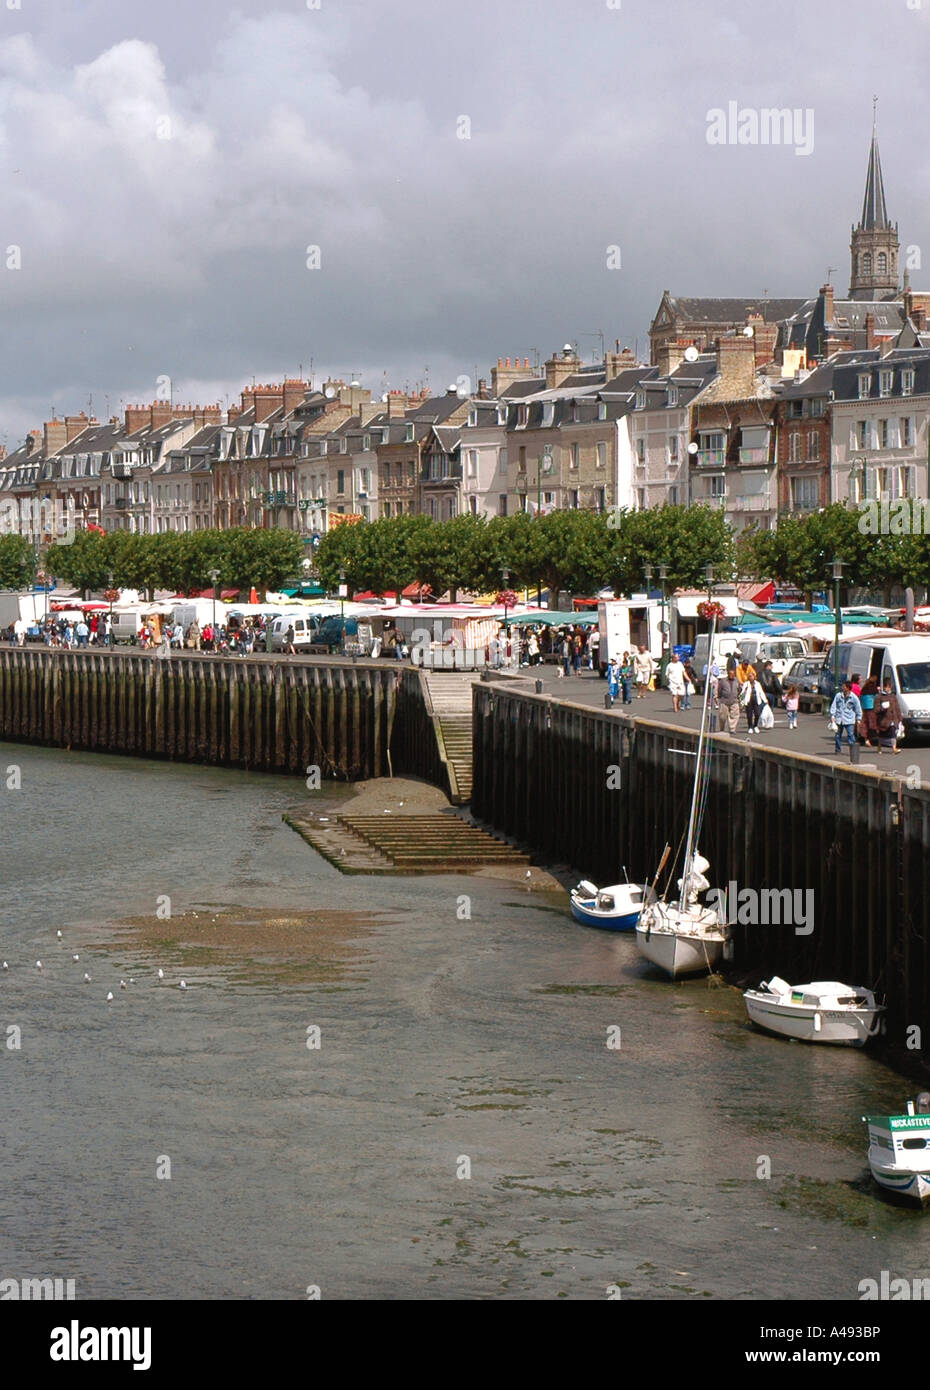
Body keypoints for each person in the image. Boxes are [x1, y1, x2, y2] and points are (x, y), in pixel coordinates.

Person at [830, 680, 862, 753]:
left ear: (848, 688)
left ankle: (853, 750)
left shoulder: (853, 697)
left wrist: (859, 719)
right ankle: (838, 750)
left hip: (849, 719)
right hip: (839, 719)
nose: (842, 687)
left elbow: (858, 708)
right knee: (838, 735)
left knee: (850, 735)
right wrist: (832, 716)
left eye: (844, 686)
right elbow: (834, 705)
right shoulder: (838, 695)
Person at [875, 679, 902, 753]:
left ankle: (894, 748)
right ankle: (879, 747)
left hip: (893, 719)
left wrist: (900, 718)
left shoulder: (893, 696)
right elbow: (876, 709)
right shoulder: (879, 696)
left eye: (889, 687)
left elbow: (897, 707)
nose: (887, 689)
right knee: (882, 734)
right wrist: (882, 708)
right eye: (886, 687)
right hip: (884, 719)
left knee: (893, 733)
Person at [716, 661, 742, 735]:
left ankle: (732, 729)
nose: (732, 675)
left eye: (733, 674)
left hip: (734, 701)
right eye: (730, 674)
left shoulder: (737, 681)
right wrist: (719, 698)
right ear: (728, 674)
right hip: (724, 701)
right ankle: (722, 728)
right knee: (722, 716)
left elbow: (739, 690)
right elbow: (719, 690)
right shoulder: (723, 681)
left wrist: (739, 698)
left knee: (735, 715)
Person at [859, 675, 879, 748]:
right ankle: (872, 739)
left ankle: (865, 739)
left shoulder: (864, 688)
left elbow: (860, 697)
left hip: (864, 707)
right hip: (871, 707)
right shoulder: (874, 689)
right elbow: (877, 698)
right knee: (872, 723)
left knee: (865, 723)